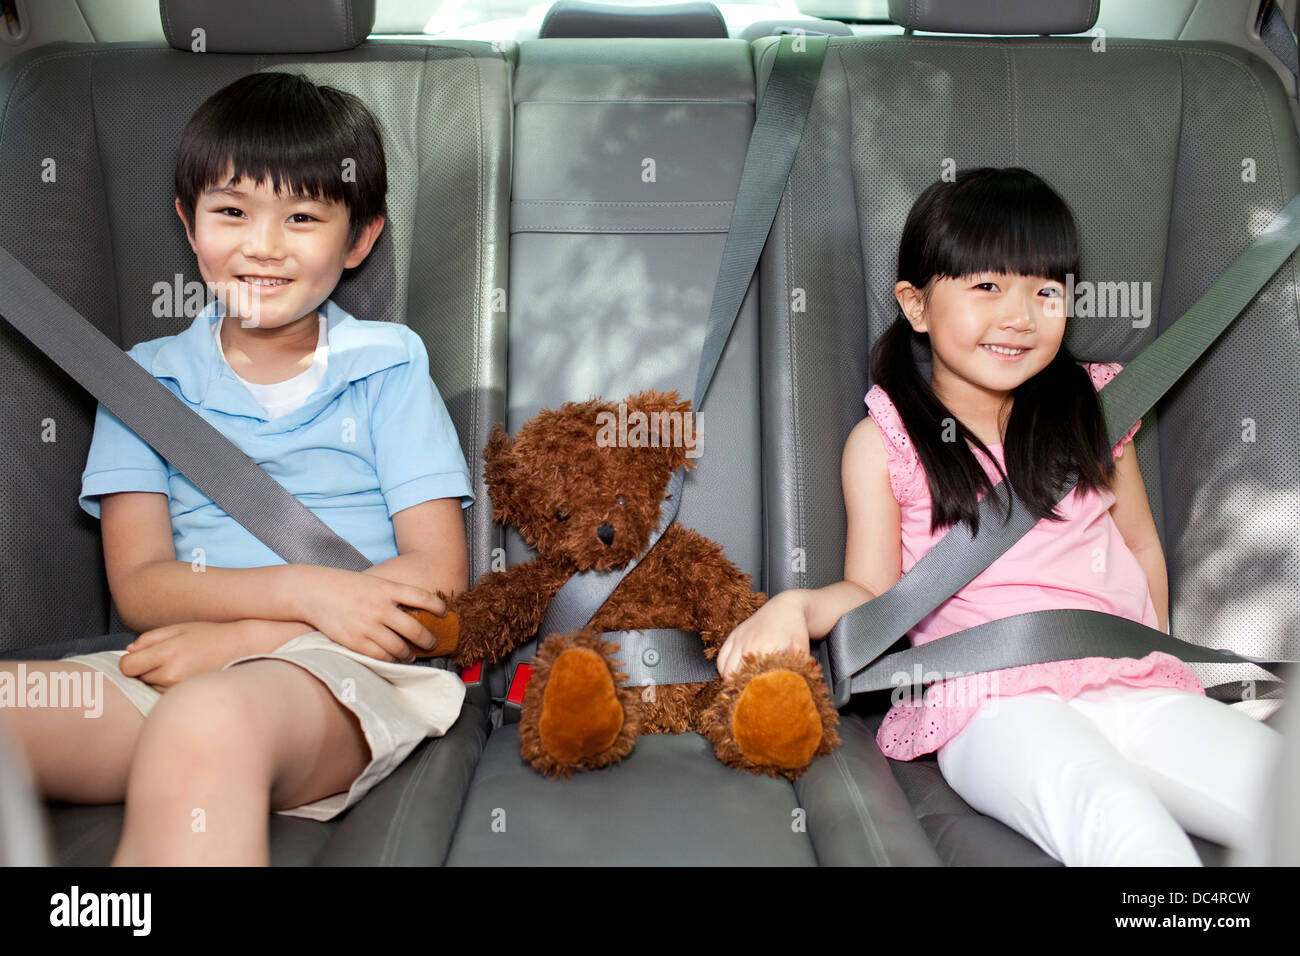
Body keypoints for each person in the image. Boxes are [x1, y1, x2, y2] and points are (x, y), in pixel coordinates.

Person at [717, 166, 1284, 866]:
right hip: (991, 700)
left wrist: (1165, 659)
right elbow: (874, 596)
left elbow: (1139, 545)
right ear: (917, 305)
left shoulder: (1097, 409)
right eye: (987, 286)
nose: (1019, 316)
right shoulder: (889, 440)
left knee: (1278, 798)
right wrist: (798, 609)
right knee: (1122, 827)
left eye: (1046, 291)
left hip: (1126, 677)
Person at [0, 72, 475, 865]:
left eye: (303, 217)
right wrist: (293, 597)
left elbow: (439, 582)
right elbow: (143, 583)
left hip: (343, 675)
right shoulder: (143, 382)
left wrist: (260, 633)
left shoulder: (387, 368)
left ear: (358, 239)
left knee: (208, 722)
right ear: (190, 224)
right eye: (232, 212)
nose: (264, 244)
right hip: (172, 665)